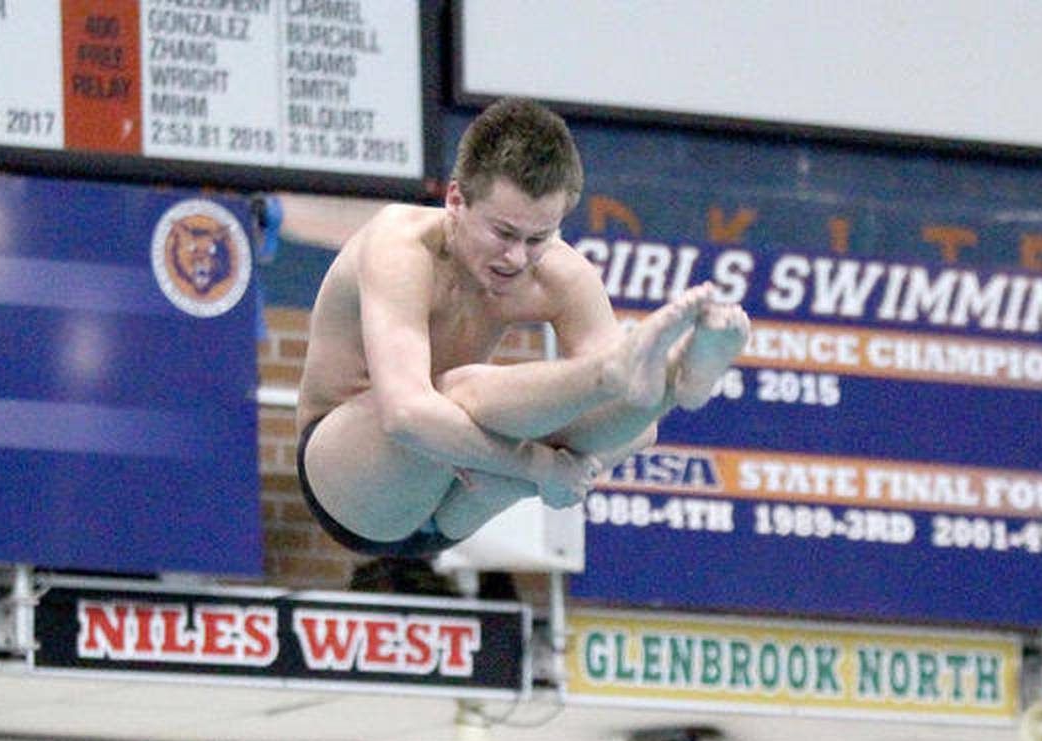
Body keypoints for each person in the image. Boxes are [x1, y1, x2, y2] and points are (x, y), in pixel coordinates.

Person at [295, 97, 748, 578]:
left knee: (594, 409)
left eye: (538, 239)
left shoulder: (564, 275)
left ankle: (675, 383)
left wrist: (569, 472)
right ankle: (610, 373)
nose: (515, 257)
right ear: (455, 200)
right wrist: (535, 470)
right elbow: (405, 414)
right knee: (460, 390)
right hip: (353, 484)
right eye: (503, 232)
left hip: (456, 501)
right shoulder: (401, 245)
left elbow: (637, 432)